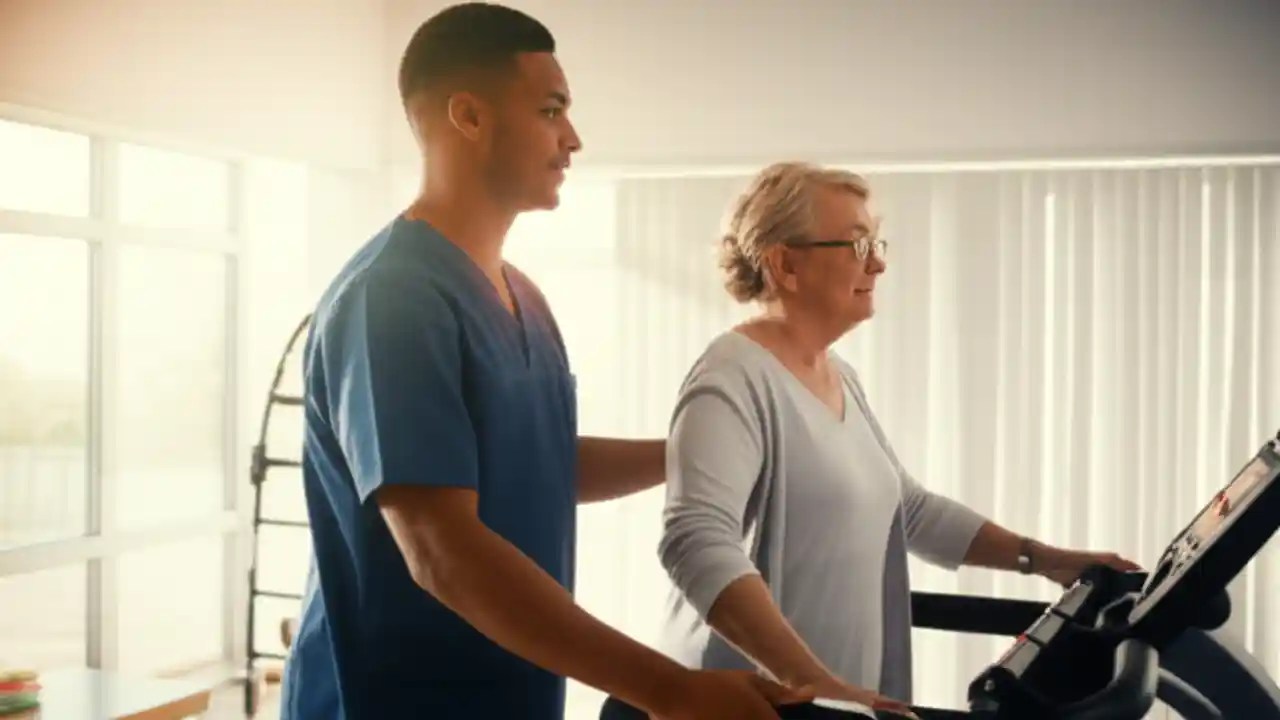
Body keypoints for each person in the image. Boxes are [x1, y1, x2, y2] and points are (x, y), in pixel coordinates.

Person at [278, 4, 815, 720]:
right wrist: (671, 690)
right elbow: (441, 549)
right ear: (469, 116)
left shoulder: (523, 295)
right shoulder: (392, 299)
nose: (573, 138)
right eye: (551, 110)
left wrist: (700, 453)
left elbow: (539, 464)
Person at [656, 162, 1141, 718]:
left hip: (833, 702)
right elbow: (695, 540)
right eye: (858, 245)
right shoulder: (733, 373)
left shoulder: (838, 377)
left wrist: (1048, 560)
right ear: (786, 264)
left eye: (876, 244)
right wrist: (812, 680)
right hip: (761, 702)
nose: (879, 263)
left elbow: (909, 510)